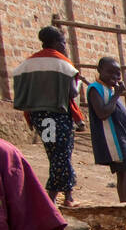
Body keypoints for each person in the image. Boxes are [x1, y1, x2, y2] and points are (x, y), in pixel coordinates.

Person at [13, 27, 84, 206]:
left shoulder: (28, 63)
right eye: (63, 42)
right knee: (61, 154)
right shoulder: (62, 64)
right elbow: (72, 93)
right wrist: (77, 81)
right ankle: (51, 197)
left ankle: (68, 195)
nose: (64, 46)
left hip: (39, 117)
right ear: (55, 43)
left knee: (56, 153)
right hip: (57, 116)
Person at [86, 57, 126, 203]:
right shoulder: (95, 89)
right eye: (110, 72)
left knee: (123, 173)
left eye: (118, 73)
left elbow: (117, 113)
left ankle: (124, 207)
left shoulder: (110, 90)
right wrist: (117, 95)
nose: (115, 76)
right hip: (113, 139)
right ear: (99, 71)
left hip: (123, 136)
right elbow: (103, 113)